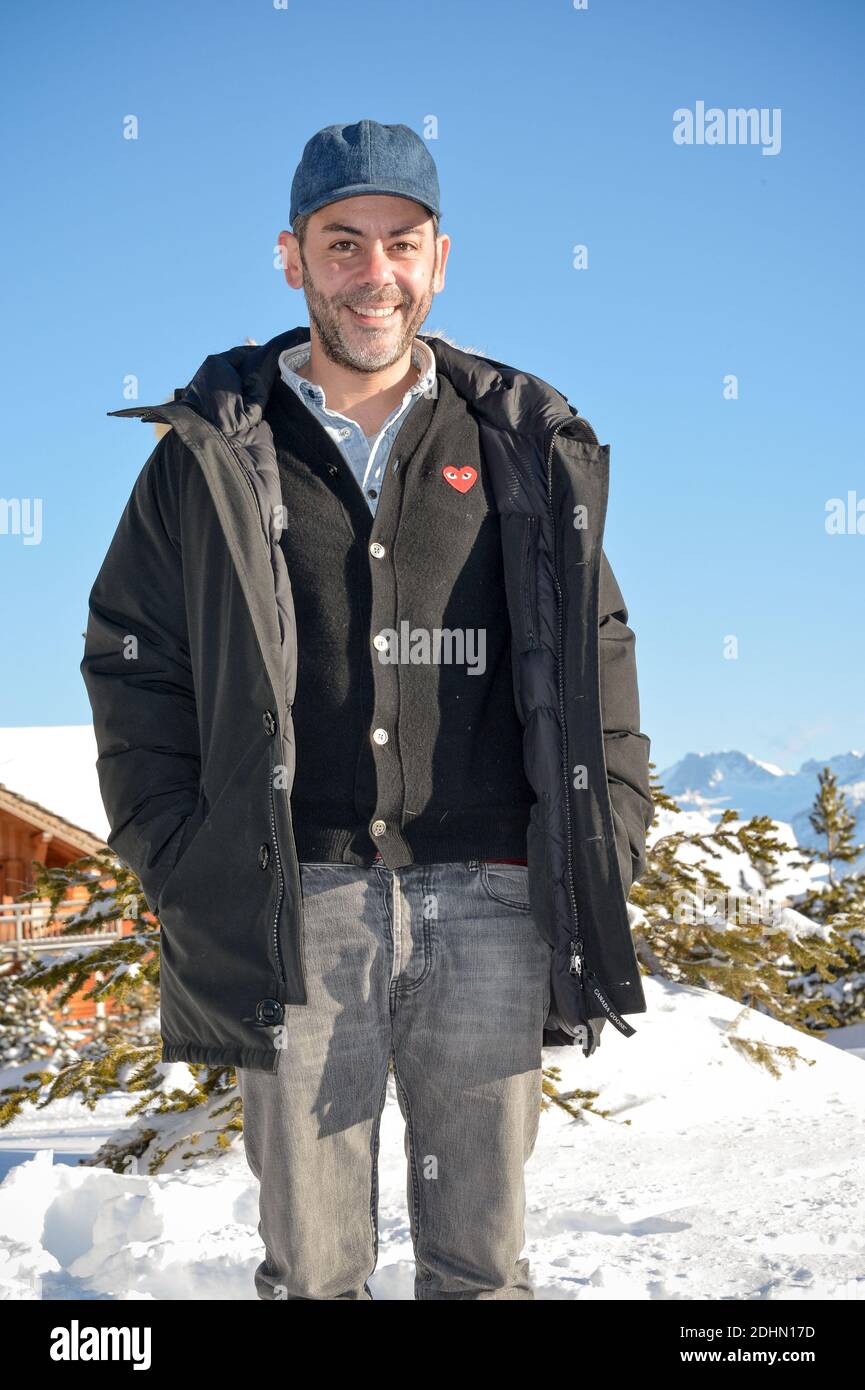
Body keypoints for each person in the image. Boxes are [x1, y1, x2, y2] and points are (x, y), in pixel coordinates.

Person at [81, 119, 654, 1300]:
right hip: (303, 901)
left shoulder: (518, 441)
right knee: (315, 1268)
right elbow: (132, 659)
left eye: (401, 244)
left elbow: (599, 646)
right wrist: (180, 853)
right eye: (344, 244)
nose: (373, 274)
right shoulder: (210, 452)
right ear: (292, 258)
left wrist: (618, 824)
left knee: (481, 1266)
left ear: (439, 261)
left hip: (493, 902)